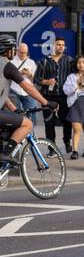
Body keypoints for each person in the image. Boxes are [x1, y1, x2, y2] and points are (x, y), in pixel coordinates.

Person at [0, 35, 52, 167]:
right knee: (27, 124)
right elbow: (28, 87)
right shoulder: (7, 66)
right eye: (13, 49)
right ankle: (5, 154)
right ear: (7, 50)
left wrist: (14, 109)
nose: (14, 51)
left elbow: (2, 95)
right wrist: (46, 103)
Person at [35, 36, 73, 154]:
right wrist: (46, 82)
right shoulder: (44, 61)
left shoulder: (70, 60)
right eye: (58, 44)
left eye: (62, 45)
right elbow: (37, 79)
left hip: (64, 96)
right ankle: (51, 148)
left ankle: (67, 141)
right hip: (48, 96)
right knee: (49, 123)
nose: (61, 47)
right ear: (53, 46)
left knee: (67, 121)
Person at [8, 42, 41, 124]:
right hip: (14, 91)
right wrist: (17, 73)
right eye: (21, 52)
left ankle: (31, 135)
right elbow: (7, 76)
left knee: (33, 115)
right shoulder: (11, 61)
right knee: (17, 114)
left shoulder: (31, 62)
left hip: (28, 91)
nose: (23, 54)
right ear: (17, 51)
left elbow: (36, 79)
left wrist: (29, 74)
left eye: (25, 53)